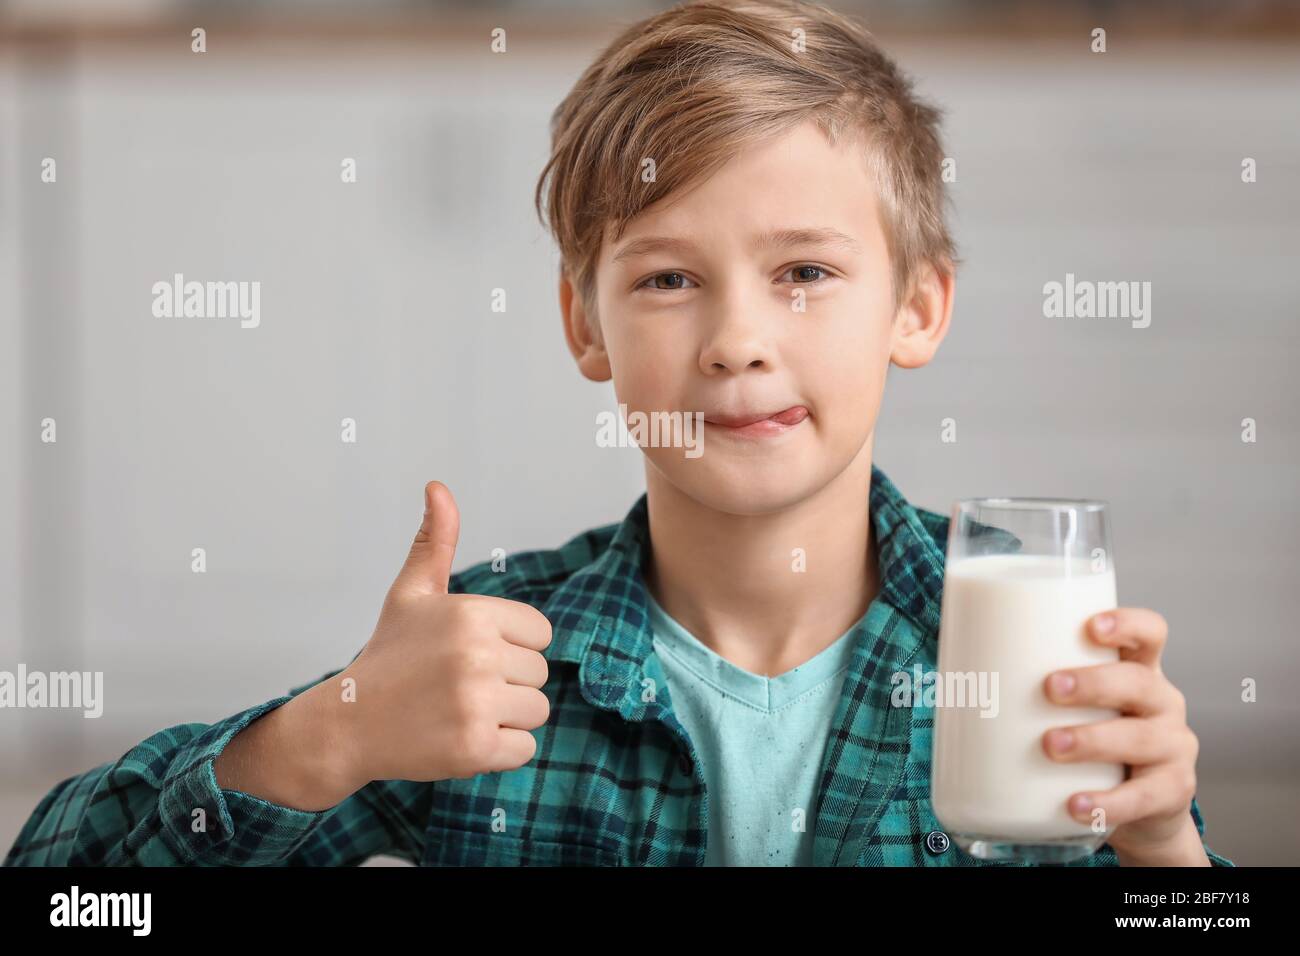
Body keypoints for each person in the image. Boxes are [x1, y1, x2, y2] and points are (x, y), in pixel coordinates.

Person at [4, 0, 1232, 867]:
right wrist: (333, 730)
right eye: (665, 280)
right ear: (582, 325)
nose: (736, 340)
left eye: (803, 269)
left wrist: (1166, 855)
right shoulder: (485, 666)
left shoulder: (1024, 650)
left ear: (917, 307)